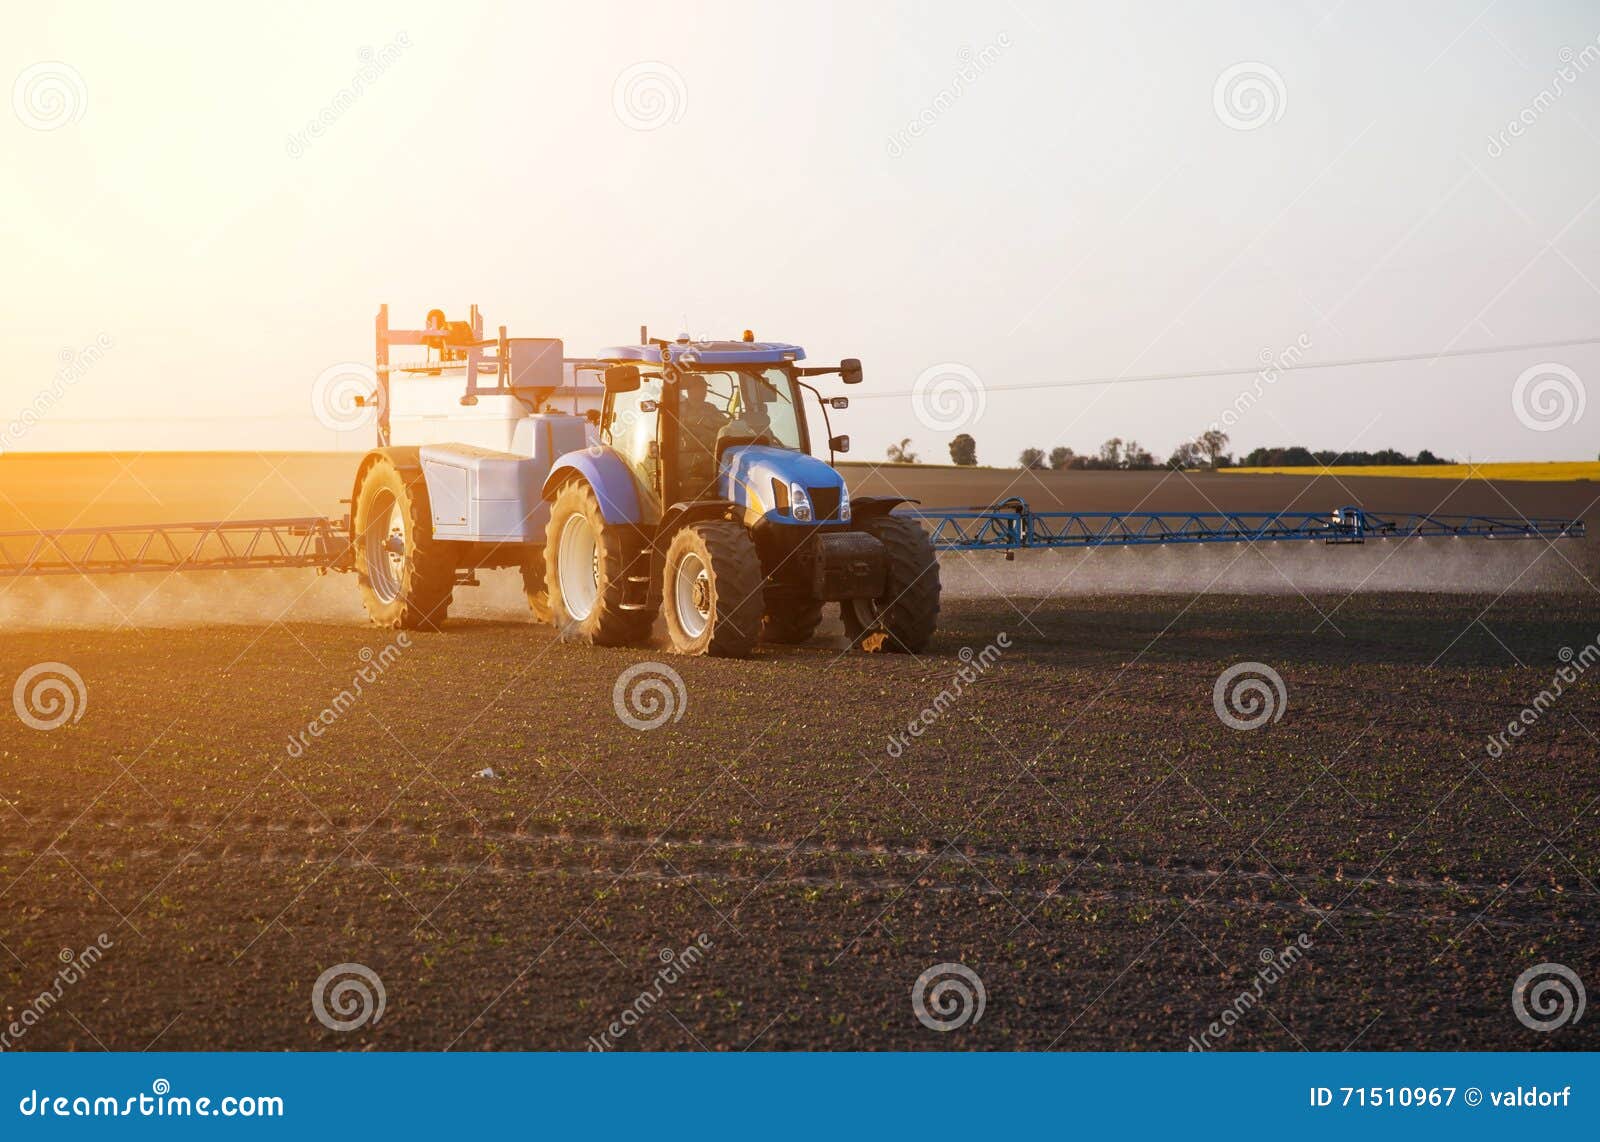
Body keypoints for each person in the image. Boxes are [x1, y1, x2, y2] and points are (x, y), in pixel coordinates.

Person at [675, 373, 727, 497]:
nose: (704, 391)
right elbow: (674, 434)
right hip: (685, 463)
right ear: (690, 391)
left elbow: (726, 427)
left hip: (710, 461)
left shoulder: (711, 409)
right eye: (699, 388)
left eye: (704, 388)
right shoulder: (679, 410)